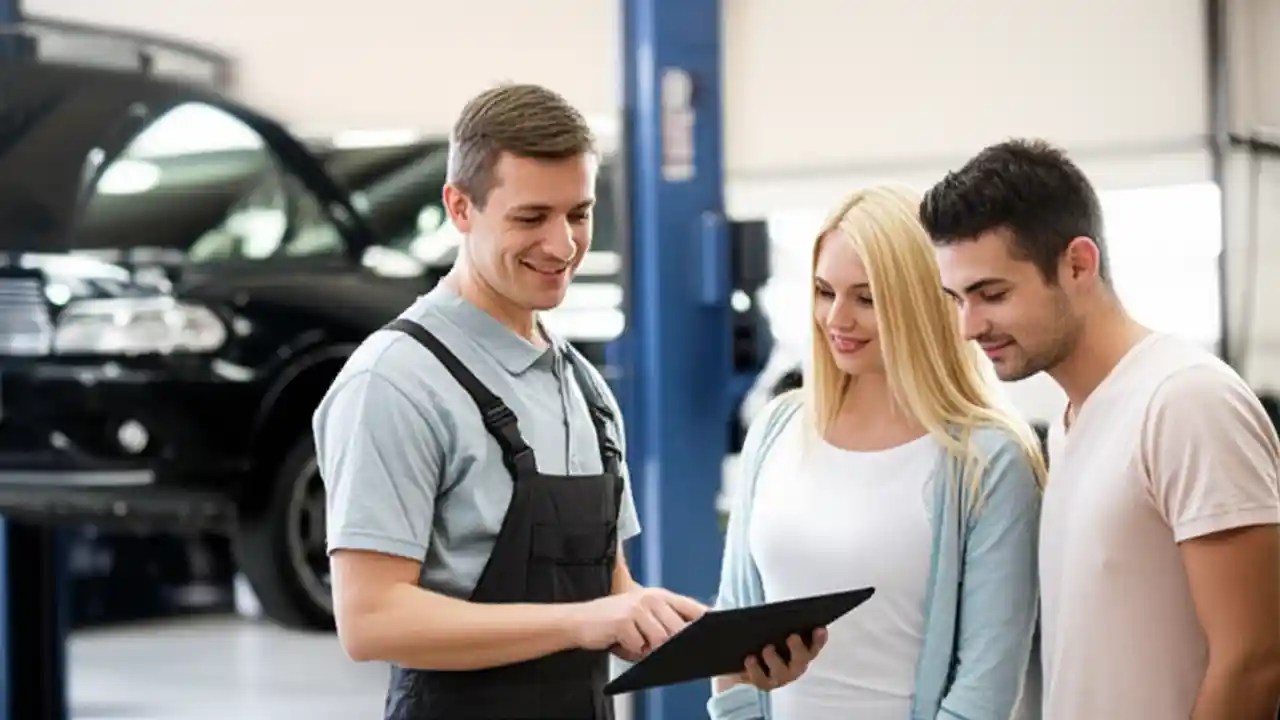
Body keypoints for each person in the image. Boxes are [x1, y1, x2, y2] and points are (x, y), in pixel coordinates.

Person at [312, 83, 707, 720]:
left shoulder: (586, 389)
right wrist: (586, 621)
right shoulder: (395, 382)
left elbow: (611, 595)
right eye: (531, 218)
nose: (562, 246)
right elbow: (371, 618)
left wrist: (711, 643)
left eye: (578, 214)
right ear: (460, 207)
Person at [920, 138, 1280, 720]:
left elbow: (1255, 660)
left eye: (992, 294)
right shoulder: (1072, 424)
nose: (969, 326)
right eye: (956, 299)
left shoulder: (1185, 401)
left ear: (1078, 265)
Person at [709, 184, 1047, 720]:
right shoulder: (778, 428)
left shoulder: (987, 461)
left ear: (920, 302)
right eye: (825, 291)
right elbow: (732, 622)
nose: (837, 319)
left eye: (866, 298)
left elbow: (985, 687)